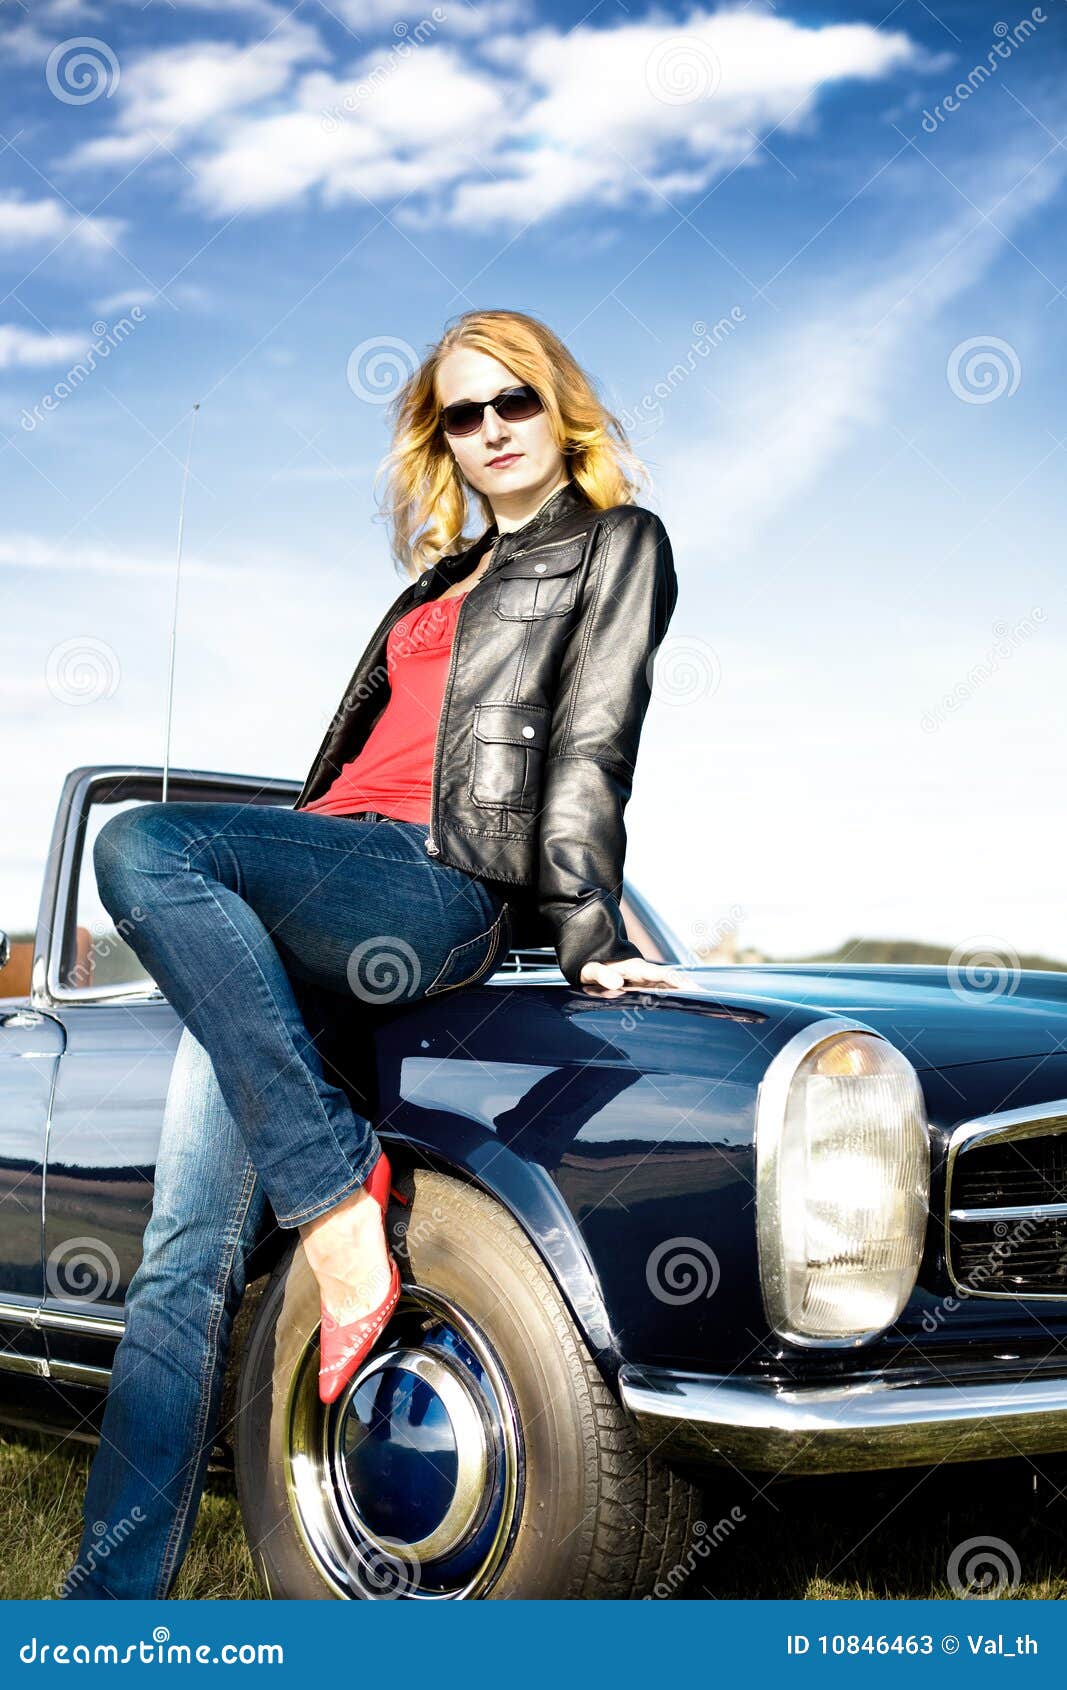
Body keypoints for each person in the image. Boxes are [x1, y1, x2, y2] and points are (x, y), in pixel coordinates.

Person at [60, 306, 683, 1599]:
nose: (494, 429)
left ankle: (340, 1207)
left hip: (432, 884)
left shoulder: (614, 546)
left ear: (557, 403)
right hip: (318, 892)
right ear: (441, 438)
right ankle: (102, 1622)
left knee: (143, 849)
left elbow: (593, 744)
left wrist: (581, 923)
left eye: (515, 399)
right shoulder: (432, 582)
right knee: (180, 1268)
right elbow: (343, 774)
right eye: (465, 413)